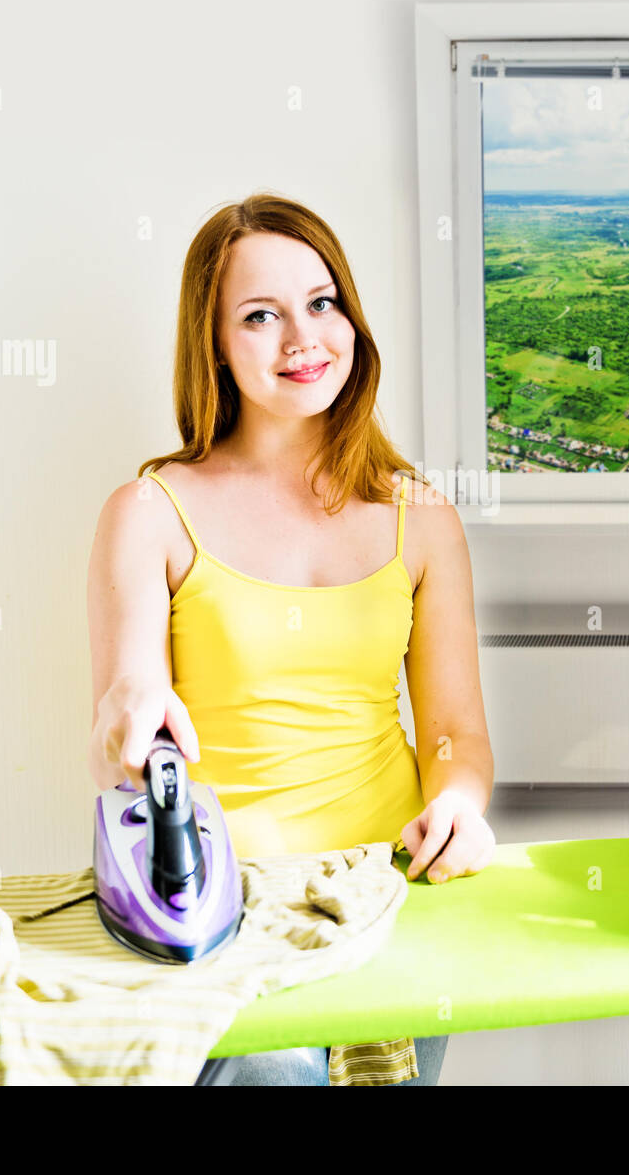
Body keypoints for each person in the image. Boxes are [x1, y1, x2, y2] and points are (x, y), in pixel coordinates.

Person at [85, 192, 496, 1085]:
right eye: (260, 316)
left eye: (322, 303)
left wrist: (461, 799)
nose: (303, 339)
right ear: (217, 345)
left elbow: (455, 729)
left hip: (389, 893)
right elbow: (122, 714)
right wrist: (131, 715)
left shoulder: (420, 519)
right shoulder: (149, 514)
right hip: (229, 908)